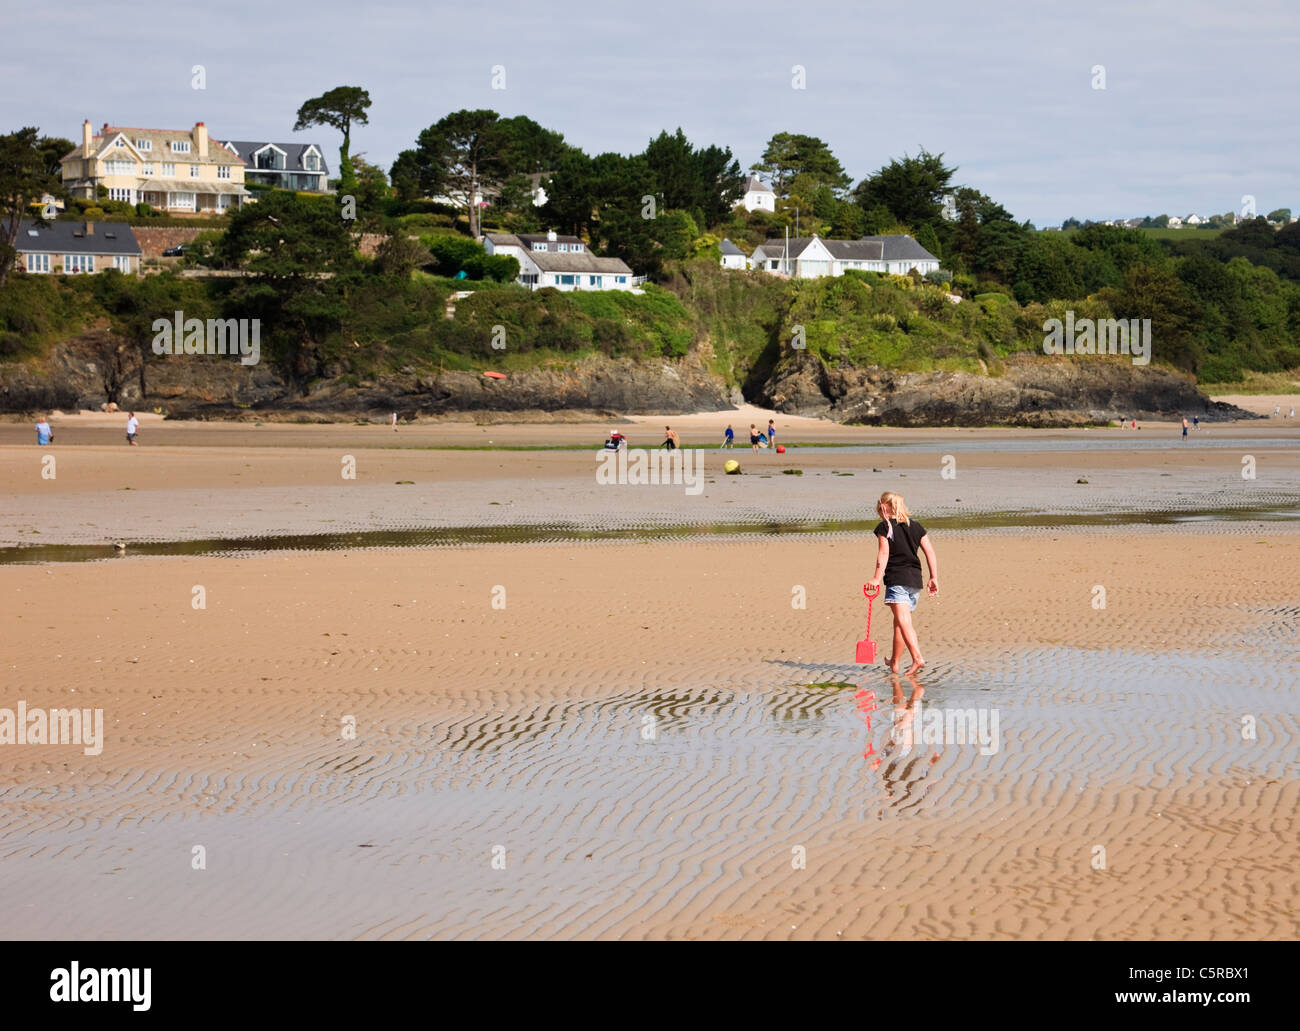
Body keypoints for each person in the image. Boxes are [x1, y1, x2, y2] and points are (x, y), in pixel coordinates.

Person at [867, 491, 939, 676]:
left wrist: (876, 578)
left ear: (884, 507)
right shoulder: (915, 526)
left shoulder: (885, 526)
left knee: (904, 622)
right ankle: (895, 663)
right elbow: (930, 552)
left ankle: (917, 658)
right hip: (915, 580)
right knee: (899, 622)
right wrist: (933, 577)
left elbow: (883, 554)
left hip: (897, 579)